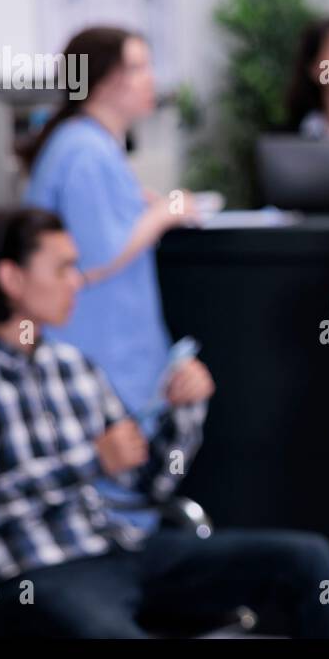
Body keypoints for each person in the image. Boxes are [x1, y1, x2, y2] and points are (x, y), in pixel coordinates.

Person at [0, 208, 329, 638]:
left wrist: (184, 413)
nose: (76, 282)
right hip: (28, 576)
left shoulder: (72, 366)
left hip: (116, 549)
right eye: (62, 269)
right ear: (12, 278)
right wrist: (91, 461)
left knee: (308, 560)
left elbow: (150, 486)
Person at [22, 26, 209, 531]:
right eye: (139, 67)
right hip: (96, 352)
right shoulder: (84, 150)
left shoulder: (91, 146)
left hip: (109, 354)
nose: (153, 80)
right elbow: (96, 255)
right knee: (111, 492)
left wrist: (143, 203)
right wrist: (164, 212)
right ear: (104, 81)